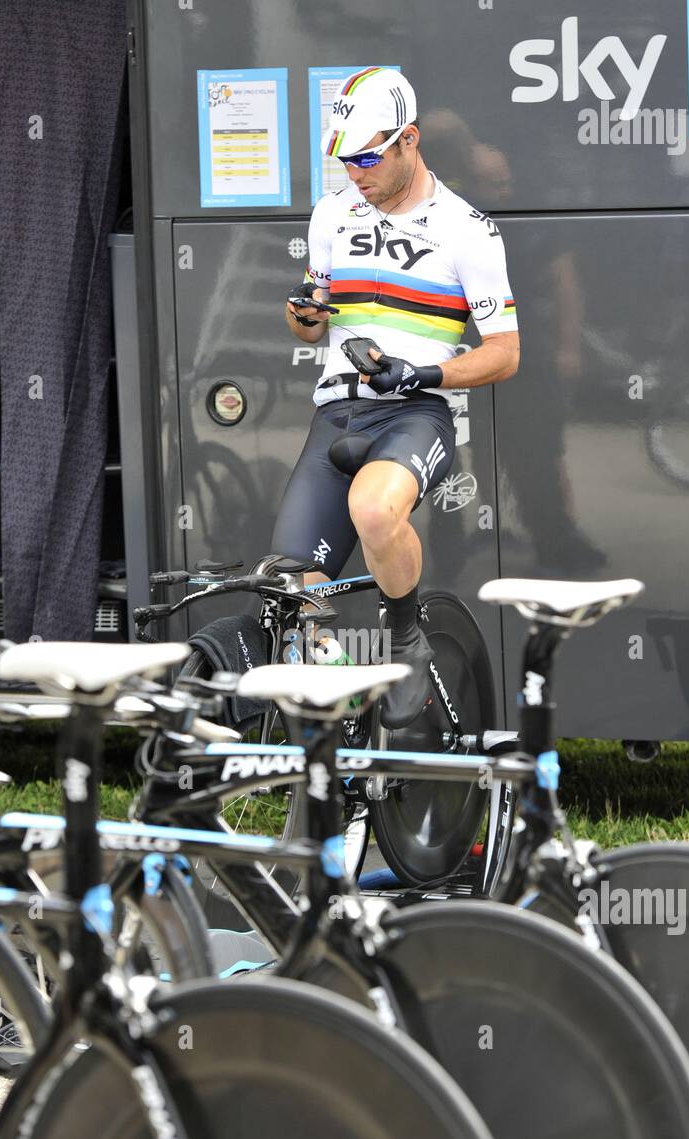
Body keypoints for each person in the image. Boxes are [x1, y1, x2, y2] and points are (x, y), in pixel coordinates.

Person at [273, 67, 520, 728]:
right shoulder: (331, 213)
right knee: (291, 587)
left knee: (374, 511)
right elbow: (311, 322)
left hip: (413, 412)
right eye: (342, 158)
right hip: (336, 410)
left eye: (365, 157)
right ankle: (342, 744)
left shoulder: (468, 230)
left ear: (408, 140)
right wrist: (302, 312)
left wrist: (421, 376)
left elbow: (504, 352)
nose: (353, 172)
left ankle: (405, 634)